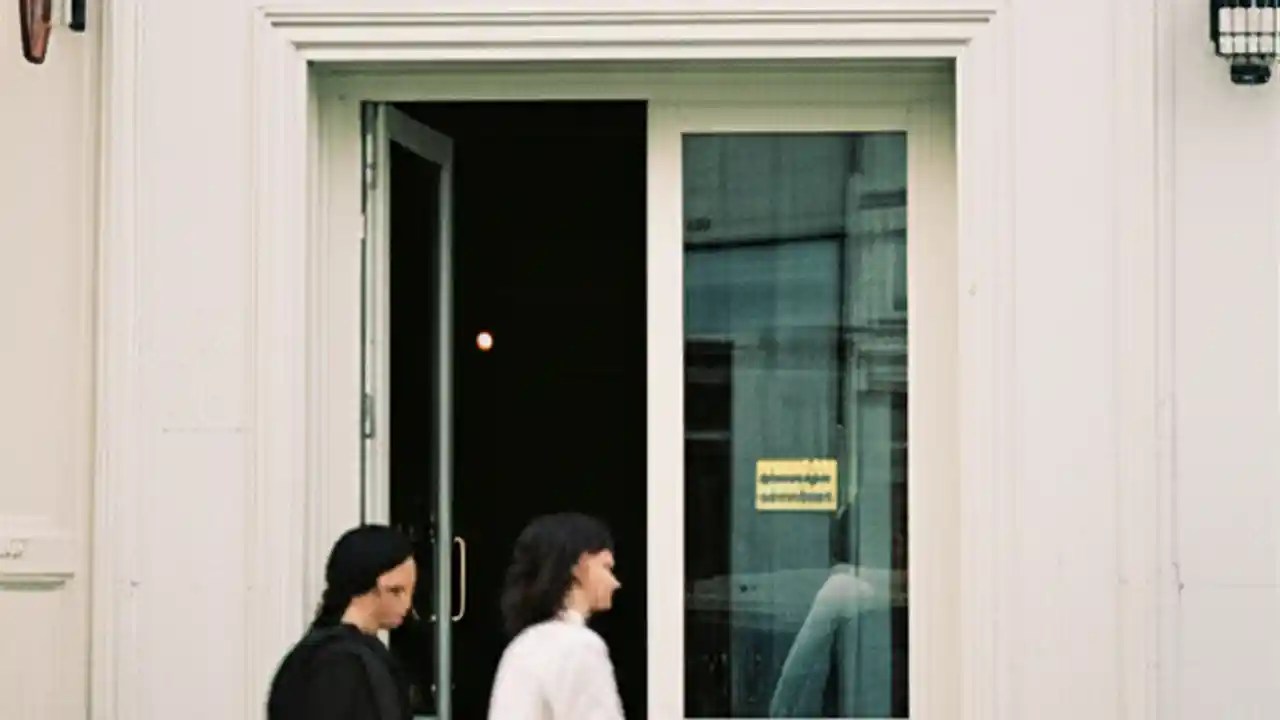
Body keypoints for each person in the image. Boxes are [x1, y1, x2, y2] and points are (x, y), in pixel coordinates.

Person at [267, 524, 417, 720]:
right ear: (364, 588)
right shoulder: (342, 663)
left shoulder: (313, 655)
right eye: (396, 590)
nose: (406, 604)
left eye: (409, 592)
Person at [487, 512, 626, 720]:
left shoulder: (522, 646)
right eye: (606, 567)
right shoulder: (580, 646)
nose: (615, 583)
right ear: (580, 567)